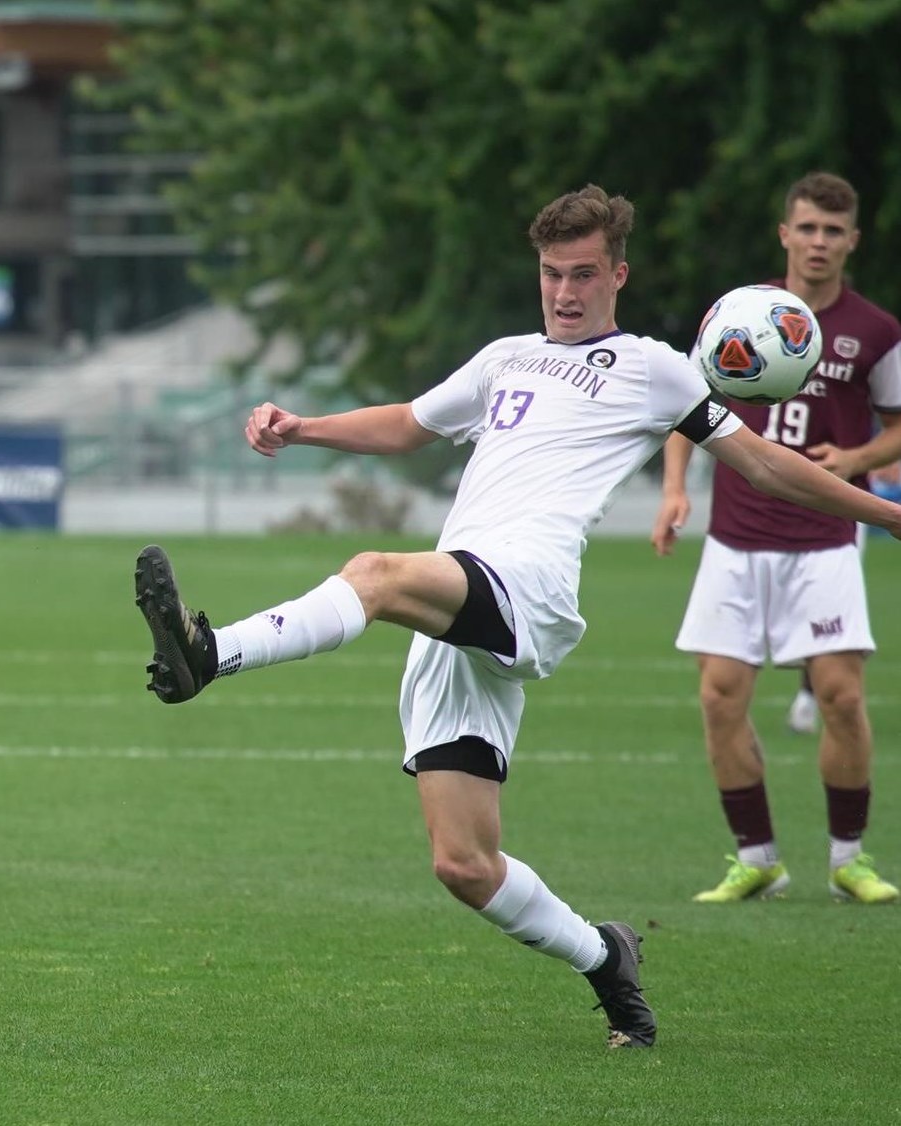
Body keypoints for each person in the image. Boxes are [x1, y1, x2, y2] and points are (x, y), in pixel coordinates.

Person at [134, 185, 901, 1050]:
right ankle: (605, 959)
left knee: (373, 573)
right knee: (463, 865)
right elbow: (406, 424)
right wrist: (301, 427)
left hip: (524, 586)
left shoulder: (656, 367)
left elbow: (763, 465)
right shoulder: (504, 357)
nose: (564, 293)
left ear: (617, 274)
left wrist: (888, 515)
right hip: (456, 611)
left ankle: (210, 653)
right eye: (549, 274)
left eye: (582, 275)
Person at [652, 172, 901, 905]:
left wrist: (854, 462)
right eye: (806, 228)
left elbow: (897, 426)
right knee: (719, 696)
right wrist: (674, 490)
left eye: (832, 231)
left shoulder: (877, 332)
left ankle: (848, 859)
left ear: (850, 241)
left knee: (839, 697)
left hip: (824, 538)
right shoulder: (739, 314)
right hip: (734, 537)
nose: (817, 242)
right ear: (784, 234)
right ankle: (756, 858)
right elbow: (683, 405)